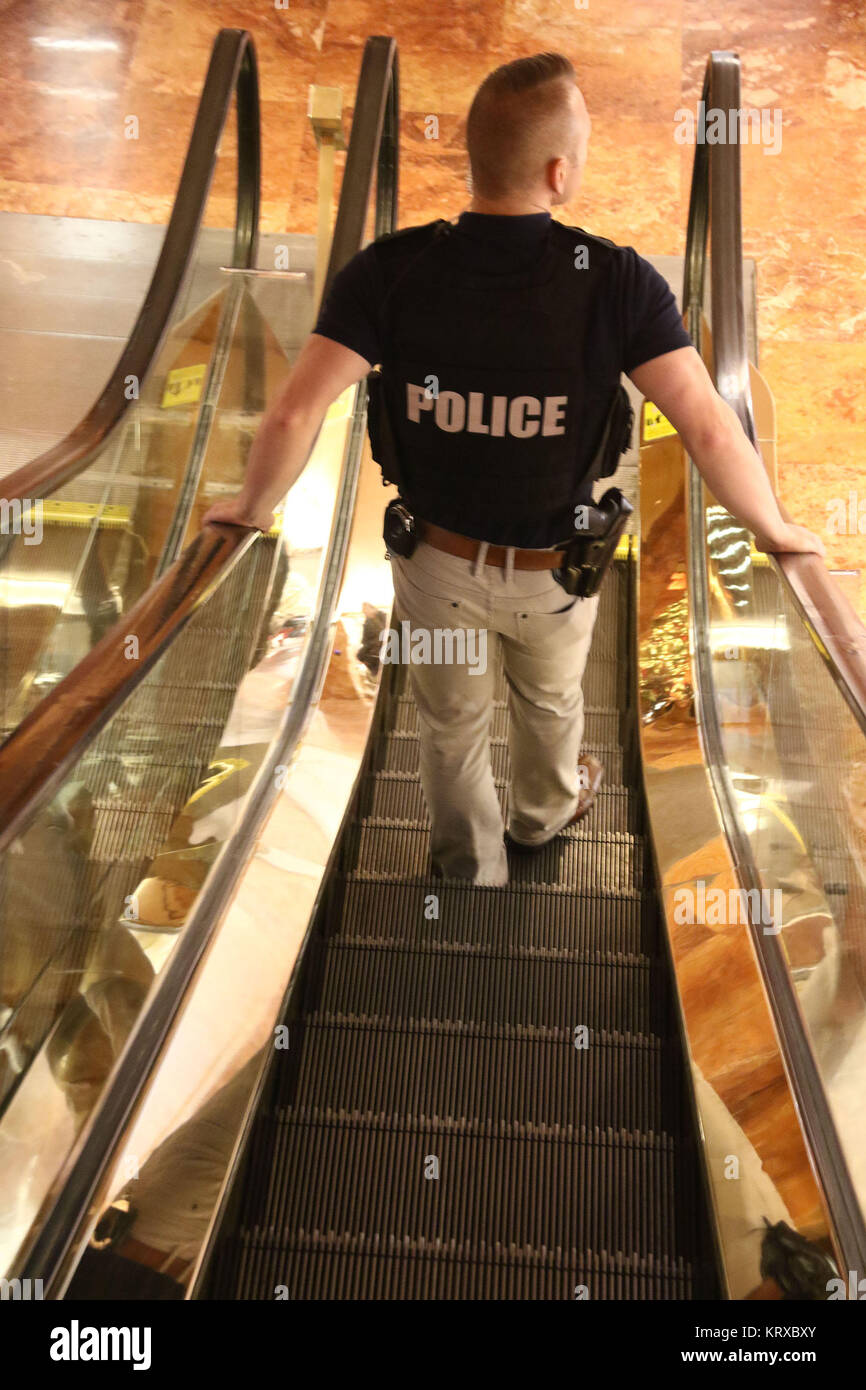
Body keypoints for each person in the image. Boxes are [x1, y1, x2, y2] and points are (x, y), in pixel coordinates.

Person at [204, 52, 824, 887]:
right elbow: (708, 428)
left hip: (433, 565)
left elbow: (292, 412)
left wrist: (249, 505)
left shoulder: (390, 271)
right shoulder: (617, 283)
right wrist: (776, 530)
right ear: (559, 171)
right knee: (552, 705)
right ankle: (541, 818)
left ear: (474, 155)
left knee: (450, 725)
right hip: (552, 574)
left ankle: (470, 867)